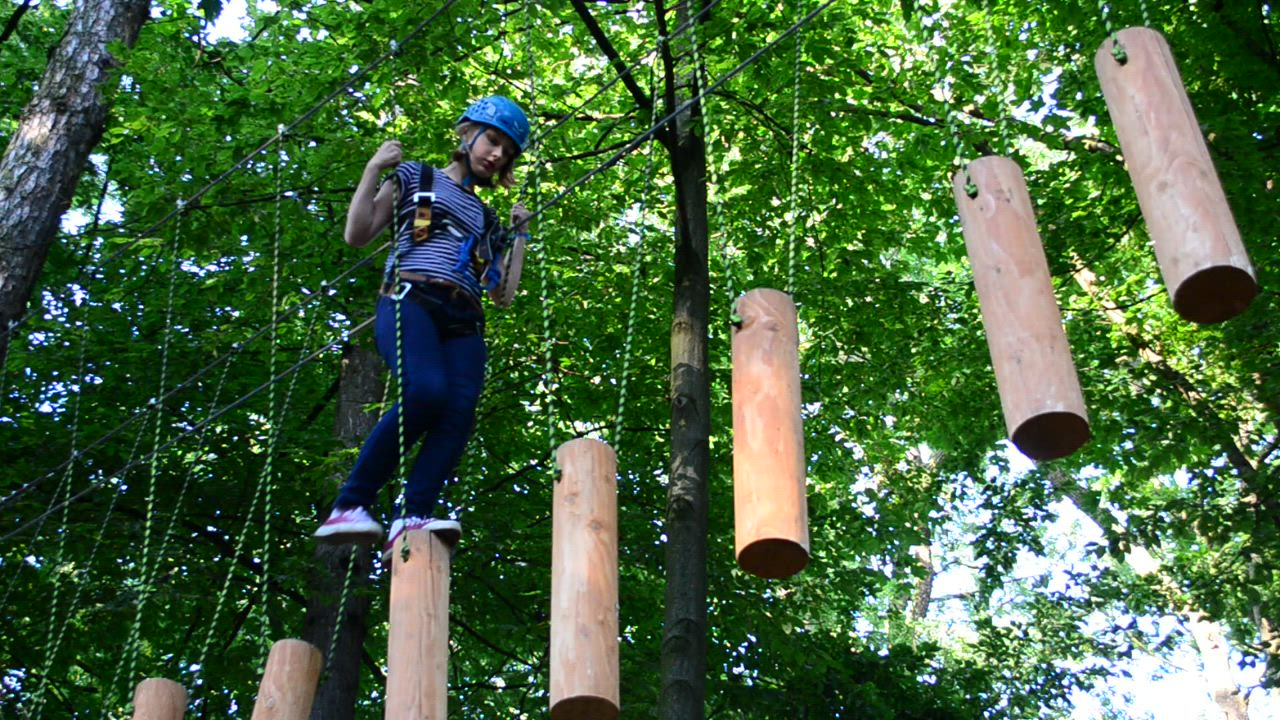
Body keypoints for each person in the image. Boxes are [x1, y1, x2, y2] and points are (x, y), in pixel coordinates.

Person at [313, 96, 532, 560]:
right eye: (493, 141)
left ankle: (413, 517)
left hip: (464, 316)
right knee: (426, 390)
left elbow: (503, 294)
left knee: (458, 412)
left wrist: (520, 237)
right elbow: (358, 234)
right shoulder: (416, 177)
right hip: (410, 297)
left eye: (507, 153)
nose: (496, 156)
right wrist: (374, 168)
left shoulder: (486, 217)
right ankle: (350, 505)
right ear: (468, 133)